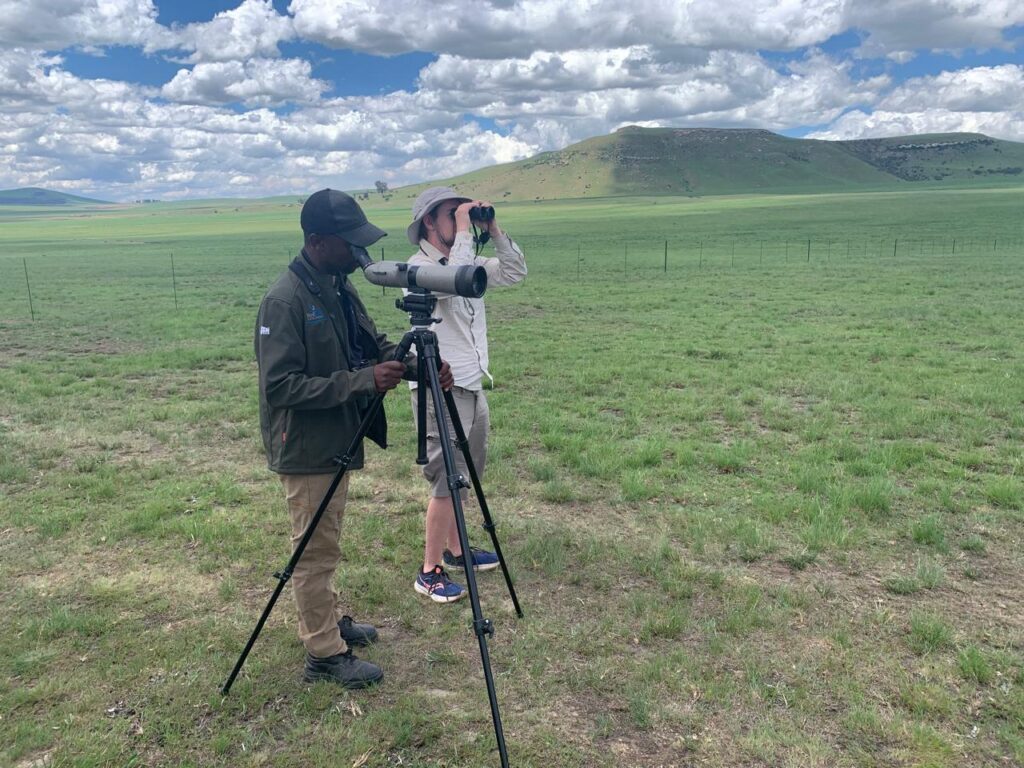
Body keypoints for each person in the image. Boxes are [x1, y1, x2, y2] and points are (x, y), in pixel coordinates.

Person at [255, 188, 453, 687]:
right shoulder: (285, 300)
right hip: (306, 444)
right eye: (351, 244)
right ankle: (323, 651)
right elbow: (279, 387)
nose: (360, 254)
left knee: (328, 540)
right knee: (314, 549)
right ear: (319, 241)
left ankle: (326, 620)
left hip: (336, 436)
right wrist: (362, 382)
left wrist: (417, 367)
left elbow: (372, 344)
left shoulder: (337, 285)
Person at [405, 187, 527, 603]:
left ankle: (457, 551)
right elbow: (454, 284)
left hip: (473, 381)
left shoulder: (468, 257)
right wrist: (462, 232)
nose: (460, 220)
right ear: (429, 221)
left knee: (467, 473)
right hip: (440, 387)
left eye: (462, 213)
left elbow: (514, 273)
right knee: (445, 478)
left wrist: (491, 228)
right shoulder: (418, 268)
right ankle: (429, 569)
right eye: (450, 214)